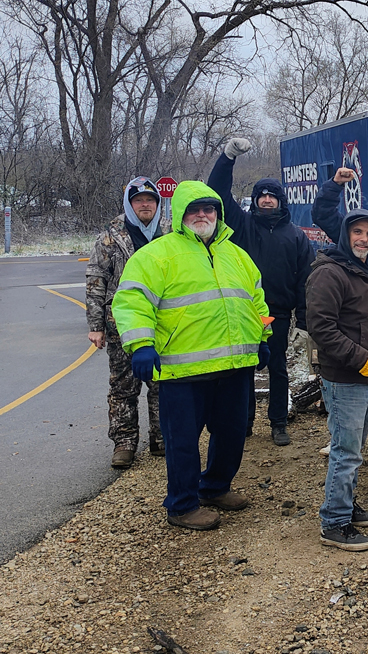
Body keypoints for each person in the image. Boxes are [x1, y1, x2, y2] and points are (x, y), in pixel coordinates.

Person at [112, 181, 271, 531]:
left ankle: (214, 487)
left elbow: (257, 300)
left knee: (231, 436)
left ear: (219, 213)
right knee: (182, 443)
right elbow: (131, 301)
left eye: (209, 208)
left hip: (234, 366)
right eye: (194, 209)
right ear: (181, 214)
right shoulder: (157, 254)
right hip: (183, 371)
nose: (202, 215)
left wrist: (263, 337)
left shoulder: (236, 255)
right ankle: (182, 505)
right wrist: (140, 345)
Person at [208, 138, 313, 447]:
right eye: (262, 196)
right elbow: (217, 192)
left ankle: (278, 422)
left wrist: (304, 323)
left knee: (278, 368)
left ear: (282, 202)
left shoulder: (296, 236)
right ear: (254, 201)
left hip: (278, 314)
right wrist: (228, 158)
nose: (267, 201)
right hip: (242, 312)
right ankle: (245, 421)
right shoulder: (240, 225)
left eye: (272, 197)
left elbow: (305, 280)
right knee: (244, 370)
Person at [306, 209, 368, 552]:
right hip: (346, 379)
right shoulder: (329, 273)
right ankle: (335, 522)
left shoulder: (363, 271)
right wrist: (360, 359)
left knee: (354, 450)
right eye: (357, 232)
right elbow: (321, 328)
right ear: (345, 234)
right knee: (345, 452)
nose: (364, 239)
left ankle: (346, 506)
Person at [86, 176, 170, 469]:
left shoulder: (169, 234)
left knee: (163, 383)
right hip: (120, 324)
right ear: (129, 204)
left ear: (157, 204)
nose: (145, 205)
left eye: (150, 200)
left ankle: (162, 438)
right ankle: (124, 443)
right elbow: (96, 281)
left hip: (163, 322)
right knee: (124, 386)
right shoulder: (110, 237)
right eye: (139, 200)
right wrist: (96, 325)